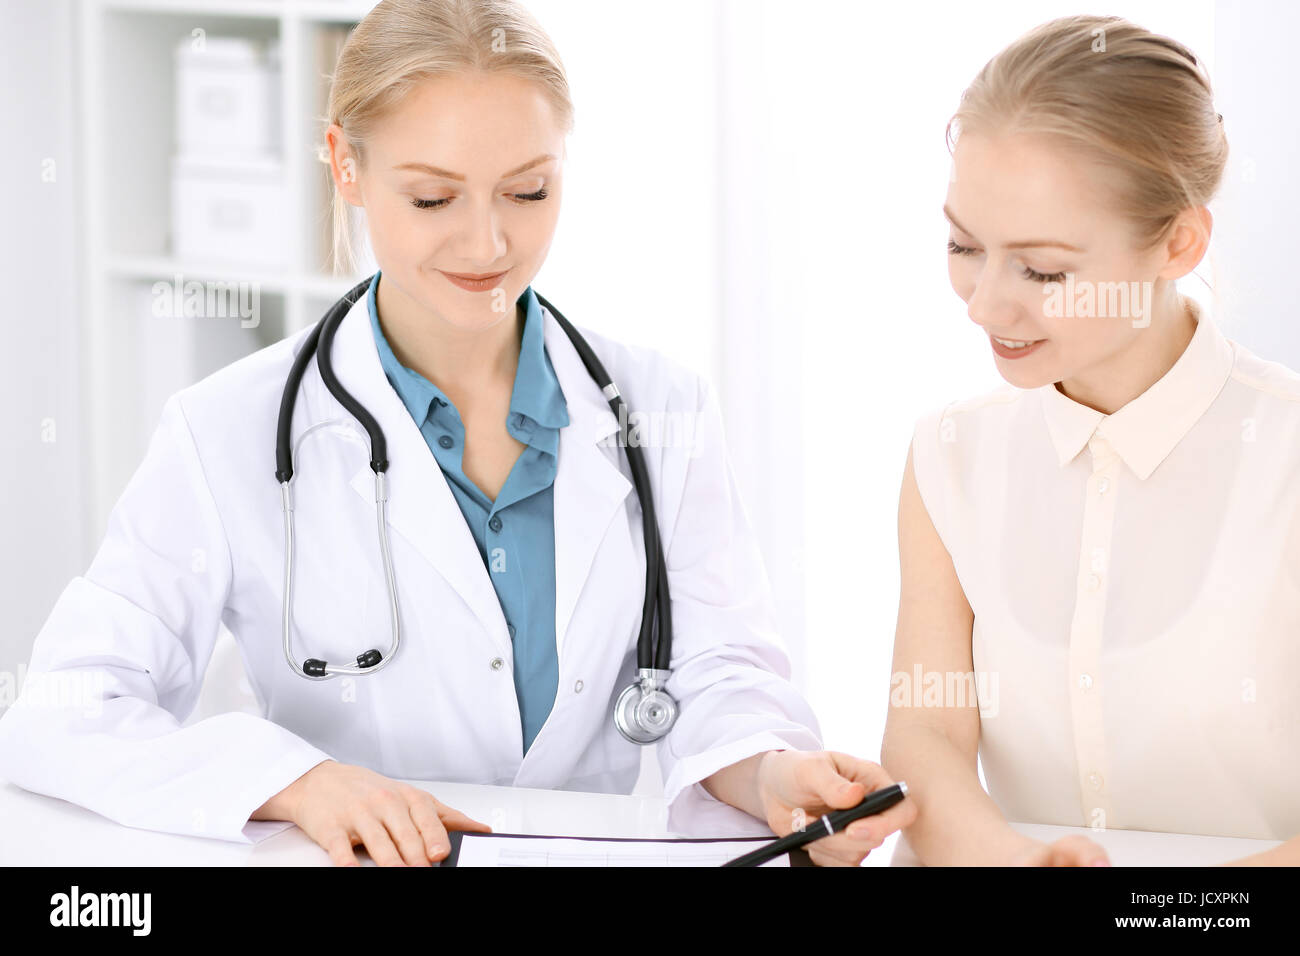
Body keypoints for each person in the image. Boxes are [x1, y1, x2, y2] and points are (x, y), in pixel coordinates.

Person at [0, 0, 914, 867]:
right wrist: (298, 783)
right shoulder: (225, 431)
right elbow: (67, 708)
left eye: (527, 191)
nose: (487, 247)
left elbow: (718, 674)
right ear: (344, 165)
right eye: (434, 199)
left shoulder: (657, 406)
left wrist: (775, 777)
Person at [882, 14, 1300, 867]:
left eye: (1043, 270)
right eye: (964, 246)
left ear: (1178, 242)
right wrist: (1008, 861)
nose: (984, 305)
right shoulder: (950, 454)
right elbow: (927, 734)